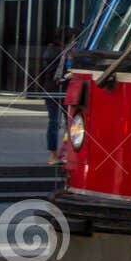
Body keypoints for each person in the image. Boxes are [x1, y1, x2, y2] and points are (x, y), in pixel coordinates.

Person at [39, 29, 73, 164]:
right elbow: (60, 74)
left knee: (54, 122)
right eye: (72, 39)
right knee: (68, 123)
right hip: (60, 90)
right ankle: (63, 154)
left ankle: (54, 155)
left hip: (50, 90)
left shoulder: (49, 50)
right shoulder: (62, 53)